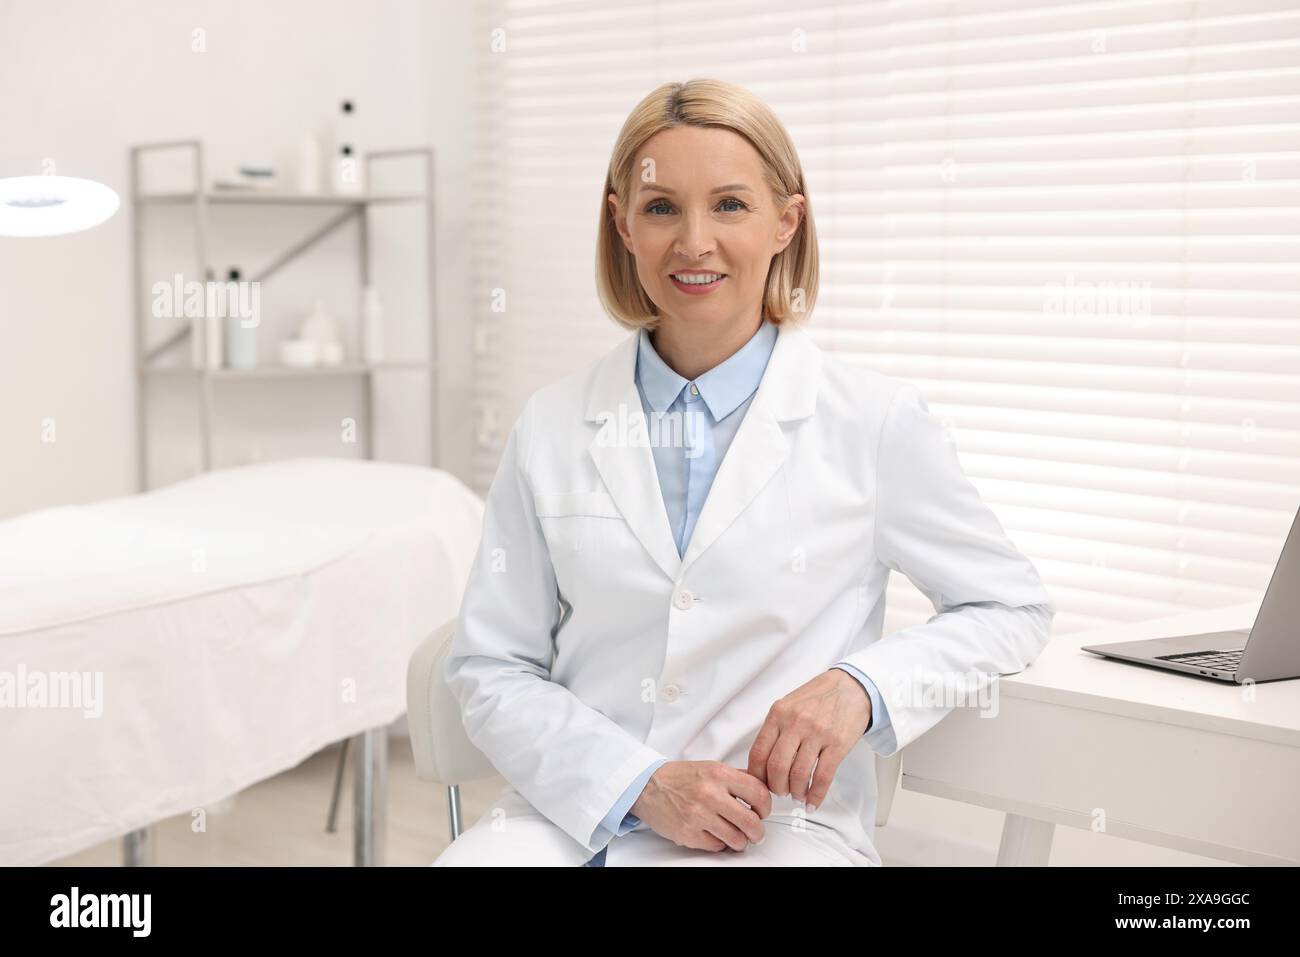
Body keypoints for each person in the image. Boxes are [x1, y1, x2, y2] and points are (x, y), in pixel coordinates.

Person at [435, 77, 1055, 867]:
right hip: (566, 818)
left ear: (785, 222)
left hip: (777, 832)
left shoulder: (873, 423)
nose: (693, 242)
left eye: (729, 204)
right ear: (622, 224)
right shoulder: (551, 425)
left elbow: (1011, 604)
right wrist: (638, 783)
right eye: (662, 208)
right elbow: (493, 664)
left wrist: (860, 686)